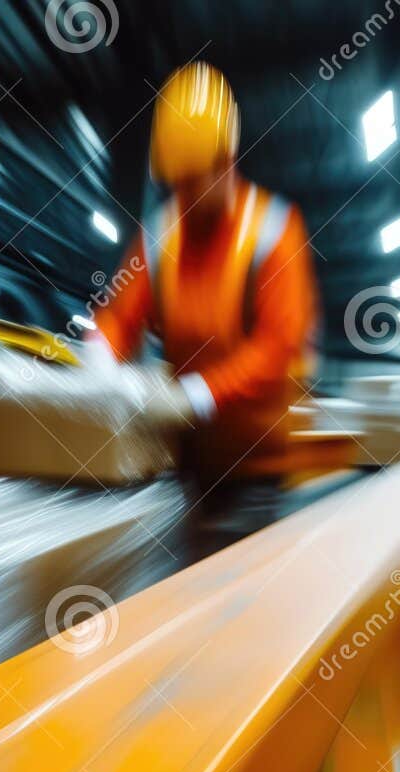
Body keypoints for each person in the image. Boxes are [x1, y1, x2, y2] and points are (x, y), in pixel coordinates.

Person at [88, 62, 320, 523]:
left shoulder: (274, 231)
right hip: (188, 467)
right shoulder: (161, 237)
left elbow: (277, 348)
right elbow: (117, 316)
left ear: (225, 163)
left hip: (256, 471)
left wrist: (194, 396)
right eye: (176, 183)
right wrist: (99, 359)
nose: (185, 197)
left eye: (194, 180)